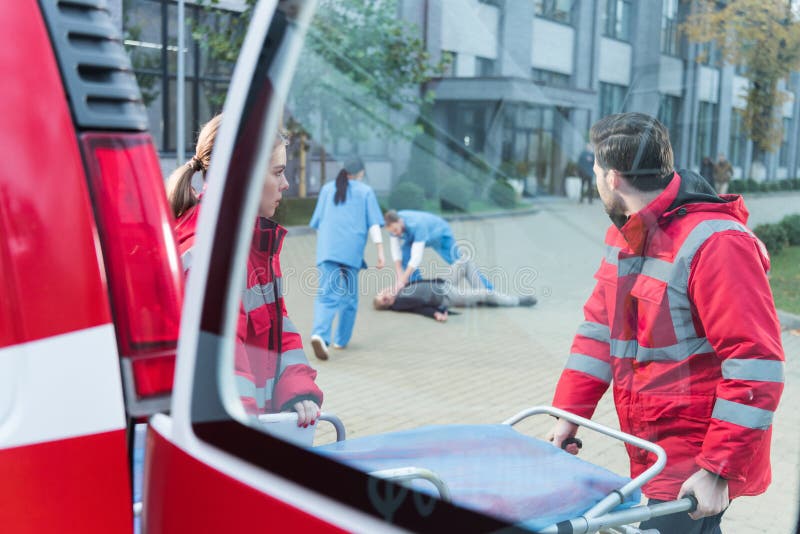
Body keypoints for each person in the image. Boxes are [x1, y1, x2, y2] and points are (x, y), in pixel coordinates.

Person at [547, 113, 784, 534]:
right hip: (652, 448)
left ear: (614, 179)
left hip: (695, 456)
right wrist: (569, 414)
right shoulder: (625, 236)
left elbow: (756, 364)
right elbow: (600, 333)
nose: (594, 178)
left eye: (596, 171)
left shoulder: (717, 244)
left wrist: (717, 470)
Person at [167, 114, 323, 427]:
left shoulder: (250, 243)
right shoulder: (210, 255)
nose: (286, 184)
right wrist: (247, 445)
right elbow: (224, 370)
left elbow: (283, 329)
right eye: (277, 172)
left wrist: (296, 391)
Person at [308, 157, 385, 361]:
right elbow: (374, 225)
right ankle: (340, 341)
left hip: (328, 250)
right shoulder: (365, 191)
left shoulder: (326, 189)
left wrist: (324, 247)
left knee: (327, 294)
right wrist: (380, 251)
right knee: (349, 297)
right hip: (351, 251)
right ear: (360, 173)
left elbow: (317, 223)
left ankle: (319, 335)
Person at [373, 258, 536, 322]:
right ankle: (517, 301)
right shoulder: (400, 303)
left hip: (444, 282)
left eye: (382, 294)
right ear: (387, 305)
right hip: (447, 296)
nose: (385, 297)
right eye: (383, 301)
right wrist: (436, 313)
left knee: (465, 262)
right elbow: (419, 308)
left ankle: (485, 297)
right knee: (486, 293)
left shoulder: (400, 290)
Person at [384, 209, 492, 292]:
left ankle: (487, 290)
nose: (395, 233)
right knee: (405, 254)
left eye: (395, 230)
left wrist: (403, 279)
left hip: (440, 234)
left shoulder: (417, 225)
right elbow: (395, 250)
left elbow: (416, 257)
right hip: (416, 237)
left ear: (400, 221)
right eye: (392, 232)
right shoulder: (393, 226)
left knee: (459, 261)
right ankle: (417, 287)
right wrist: (399, 274)